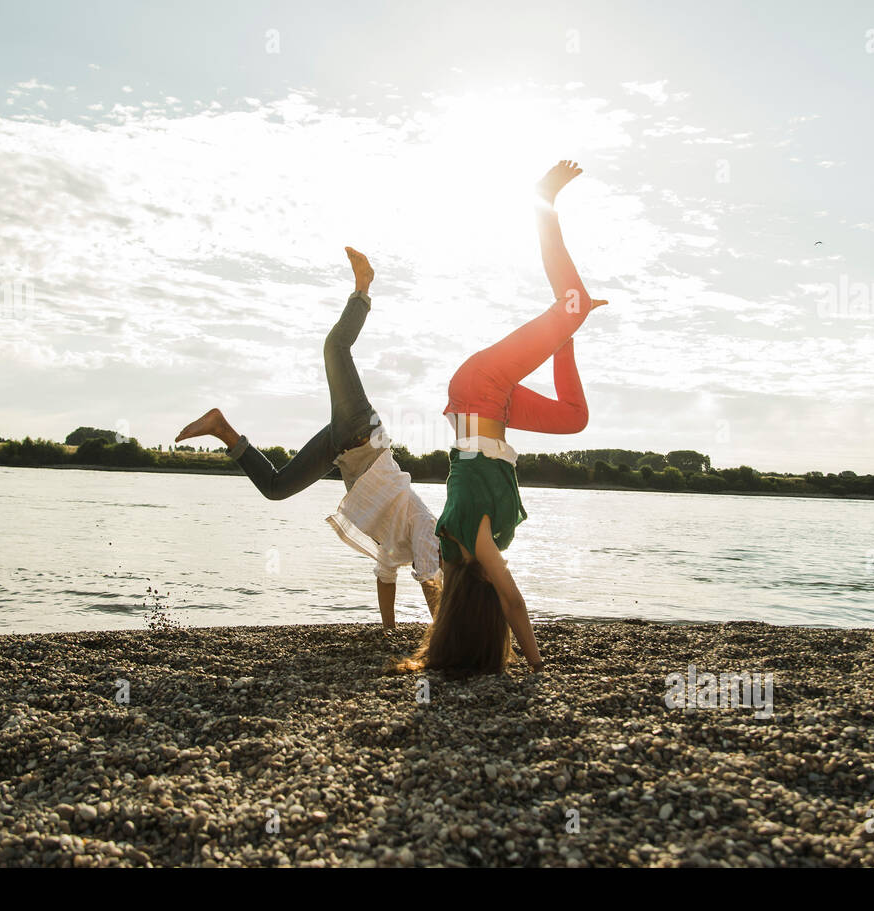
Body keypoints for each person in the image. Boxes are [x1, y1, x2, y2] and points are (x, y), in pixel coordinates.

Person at [391, 160, 607, 677]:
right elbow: (459, 610)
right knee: (574, 419)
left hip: (480, 389)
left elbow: (513, 603)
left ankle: (543, 202)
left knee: (571, 303)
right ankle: (567, 332)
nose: (501, 574)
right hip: (493, 407)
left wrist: (535, 662)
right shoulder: (453, 556)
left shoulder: (471, 544)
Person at [175, 247, 442, 628]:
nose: (430, 566)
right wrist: (444, 633)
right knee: (336, 348)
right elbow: (431, 577)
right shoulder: (429, 532)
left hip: (342, 449)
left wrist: (389, 631)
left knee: (276, 487)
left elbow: (386, 574)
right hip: (364, 435)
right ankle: (363, 287)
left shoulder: (399, 544)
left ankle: (223, 429)